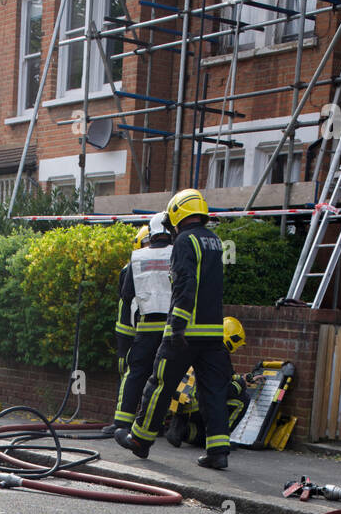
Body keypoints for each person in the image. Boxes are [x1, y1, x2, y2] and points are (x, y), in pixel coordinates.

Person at [115, 188, 233, 470]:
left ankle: (141, 440)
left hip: (185, 332)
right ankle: (218, 451)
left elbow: (184, 285)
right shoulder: (215, 241)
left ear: (179, 213)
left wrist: (176, 326)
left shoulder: (184, 241)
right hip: (213, 334)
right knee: (213, 391)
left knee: (159, 384)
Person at [102, 214, 173, 438]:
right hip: (175, 327)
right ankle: (156, 424)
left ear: (150, 235)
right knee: (165, 378)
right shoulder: (180, 253)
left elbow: (127, 295)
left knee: (136, 373)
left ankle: (122, 423)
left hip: (147, 326)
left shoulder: (138, 258)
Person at [165, 317, 249, 449]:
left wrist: (245, 377)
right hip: (197, 402)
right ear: (231, 339)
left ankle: (183, 429)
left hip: (176, 402)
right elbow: (222, 390)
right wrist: (241, 384)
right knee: (242, 399)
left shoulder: (198, 345)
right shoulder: (219, 356)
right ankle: (220, 440)